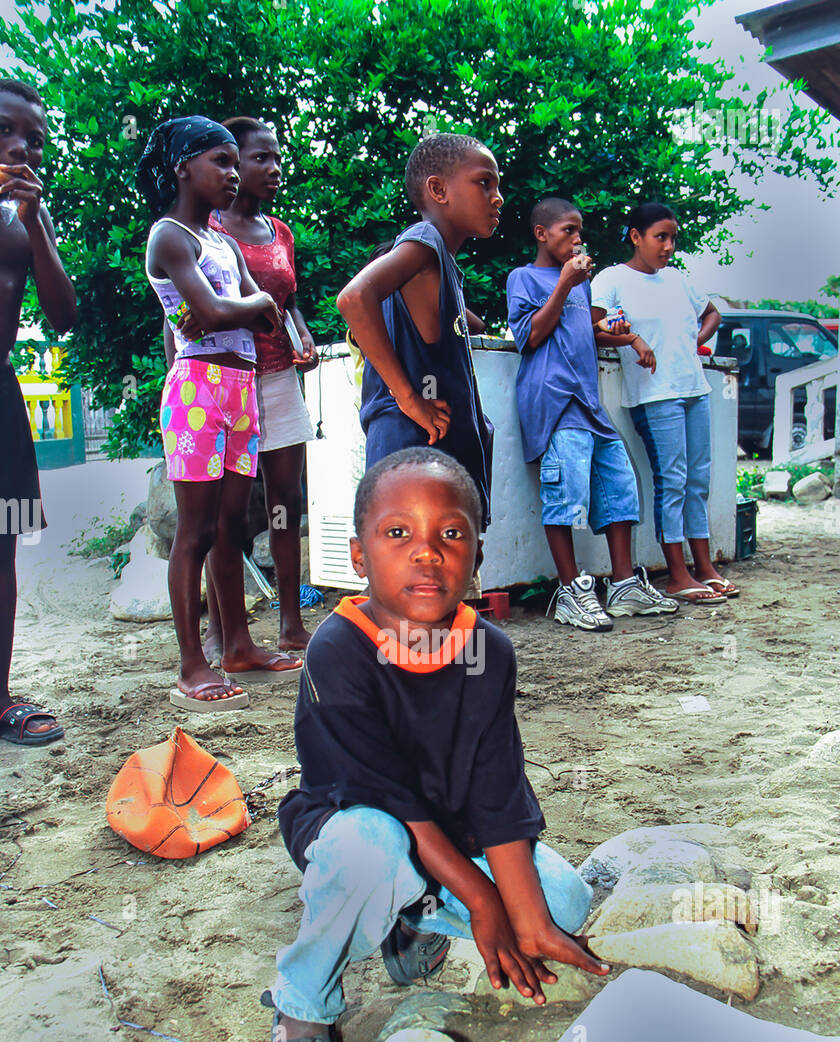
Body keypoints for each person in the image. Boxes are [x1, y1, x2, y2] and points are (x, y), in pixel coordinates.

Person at [261, 446, 609, 1042]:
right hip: (359, 824)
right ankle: (301, 1002)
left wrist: (528, 918)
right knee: (370, 851)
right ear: (359, 556)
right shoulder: (338, 651)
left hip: (452, 832)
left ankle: (410, 920)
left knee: (562, 905)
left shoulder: (488, 651)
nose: (426, 552)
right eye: (398, 534)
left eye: (450, 534)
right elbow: (390, 803)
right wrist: (483, 901)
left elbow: (497, 791)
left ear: (477, 554)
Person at [136, 116, 302, 710]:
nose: (233, 175)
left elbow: (238, 315)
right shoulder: (169, 236)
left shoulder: (221, 241)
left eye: (237, 163)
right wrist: (252, 303)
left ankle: (238, 646)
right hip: (198, 390)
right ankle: (190, 665)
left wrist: (237, 310)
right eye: (220, 162)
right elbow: (214, 309)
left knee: (233, 526)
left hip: (241, 385)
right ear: (183, 167)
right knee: (196, 530)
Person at [506, 197, 679, 632]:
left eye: (579, 230)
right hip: (555, 403)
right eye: (568, 230)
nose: (578, 238)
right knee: (566, 498)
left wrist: (628, 337)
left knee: (620, 486)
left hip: (588, 402)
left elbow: (587, 334)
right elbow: (531, 336)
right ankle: (570, 591)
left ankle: (622, 585)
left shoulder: (582, 286)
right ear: (541, 234)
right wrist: (564, 283)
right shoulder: (523, 278)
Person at [335, 133, 497, 533]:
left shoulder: (440, 264)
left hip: (431, 453)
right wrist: (409, 398)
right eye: (484, 182)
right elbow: (354, 299)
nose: (498, 197)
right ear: (438, 190)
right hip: (412, 447)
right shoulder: (424, 240)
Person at [203, 116, 318, 655]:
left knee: (285, 505)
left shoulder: (281, 233)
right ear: (231, 163)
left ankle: (291, 621)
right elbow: (182, 316)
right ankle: (224, 628)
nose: (273, 169)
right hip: (227, 385)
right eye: (259, 159)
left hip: (278, 379)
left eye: (277, 158)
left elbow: (287, 299)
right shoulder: (204, 231)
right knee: (226, 512)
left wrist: (303, 335)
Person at [591, 202, 733, 603]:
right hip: (654, 396)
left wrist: (694, 340)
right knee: (671, 481)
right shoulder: (612, 279)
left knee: (698, 480)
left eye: (673, 238)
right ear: (636, 237)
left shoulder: (677, 280)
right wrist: (631, 340)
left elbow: (712, 314)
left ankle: (705, 568)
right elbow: (591, 327)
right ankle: (677, 575)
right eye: (660, 237)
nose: (668, 246)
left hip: (694, 389)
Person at [0, 79, 76, 747]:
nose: (21, 149)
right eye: (5, 131)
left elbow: (63, 313)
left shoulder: (25, 218)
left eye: (33, 141)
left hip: (3, 404)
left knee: (4, 546)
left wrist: (32, 220)